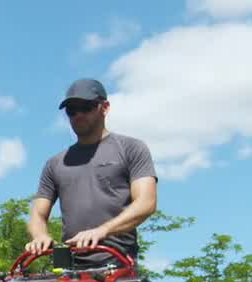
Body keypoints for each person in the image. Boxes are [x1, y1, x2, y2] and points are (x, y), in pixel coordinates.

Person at [25, 78, 158, 265]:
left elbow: (146, 202)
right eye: (72, 110)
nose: (78, 115)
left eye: (86, 107)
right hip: (71, 266)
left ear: (105, 107)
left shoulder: (131, 148)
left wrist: (102, 230)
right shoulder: (54, 164)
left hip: (118, 262)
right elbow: (37, 214)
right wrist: (40, 236)